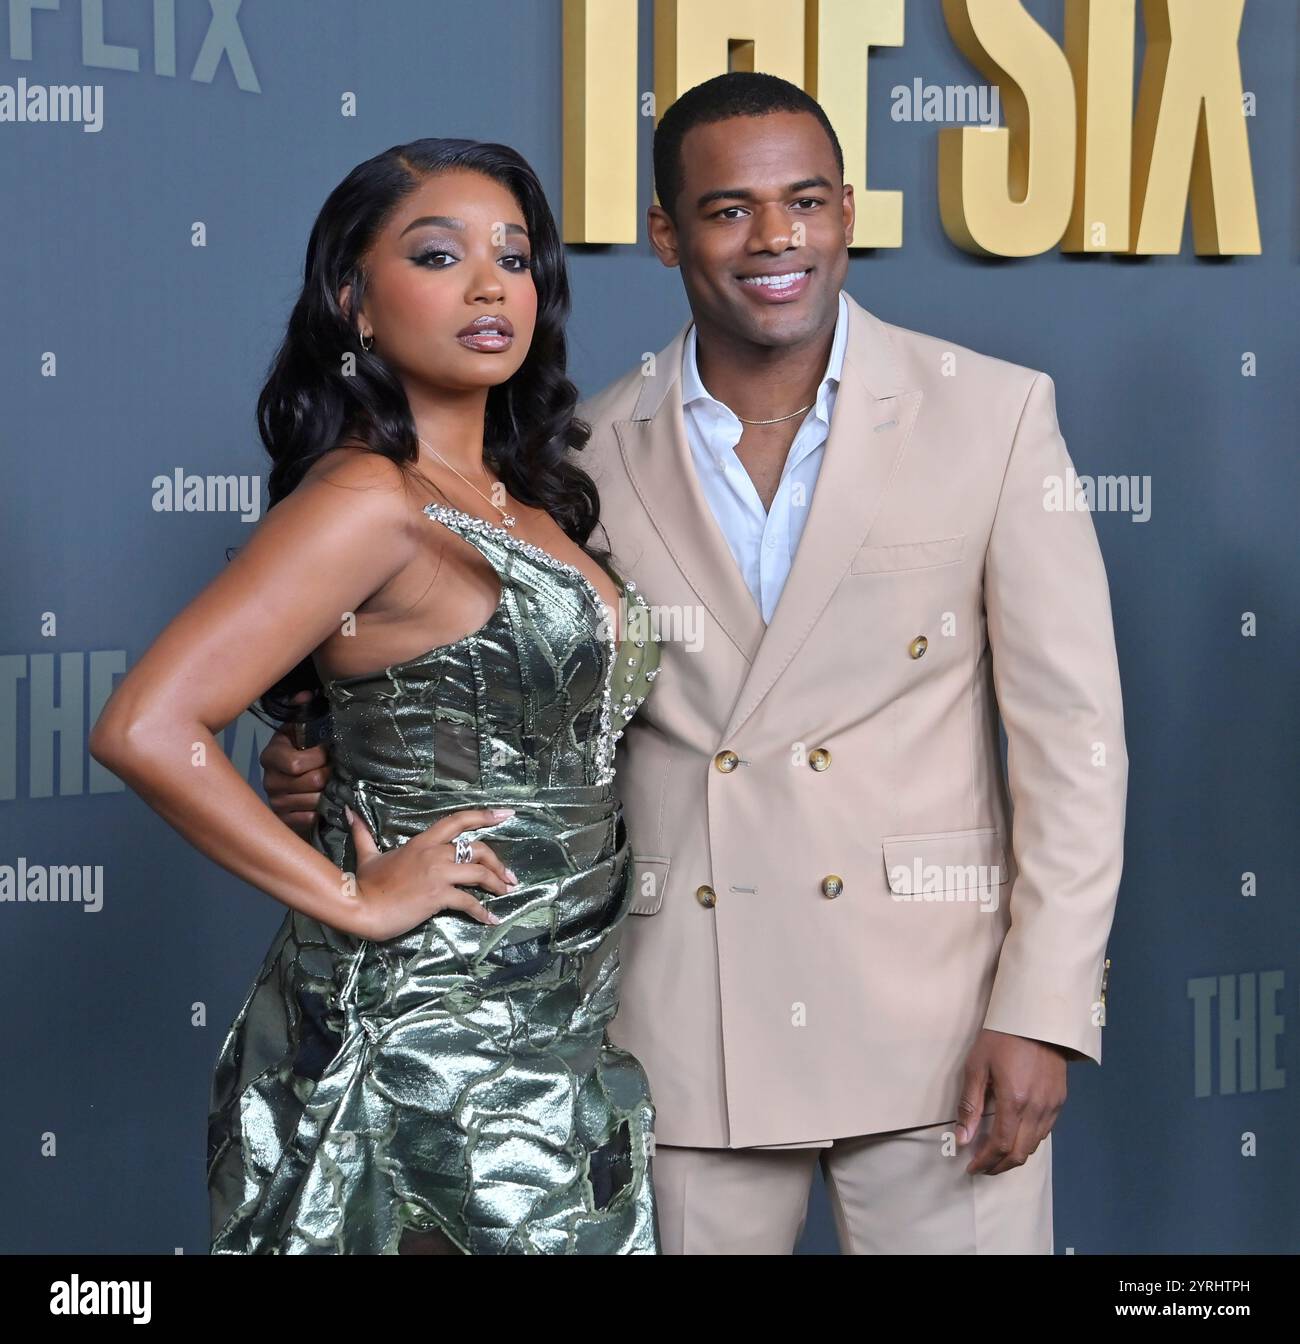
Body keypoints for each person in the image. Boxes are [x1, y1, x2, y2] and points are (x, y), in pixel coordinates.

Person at [263, 72, 1128, 1255]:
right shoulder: (573, 458)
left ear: (846, 214)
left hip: (941, 1031)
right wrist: (332, 769)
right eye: (728, 210)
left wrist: (1043, 1009)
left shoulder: (991, 415)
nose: (776, 238)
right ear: (665, 234)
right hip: (678, 1031)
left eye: (807, 201)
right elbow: (517, 702)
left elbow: (1073, 742)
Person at [89, 137, 662, 1255]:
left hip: (560, 1013)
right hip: (430, 1029)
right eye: (440, 255)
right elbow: (146, 726)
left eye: (516, 255)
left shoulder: (527, 498)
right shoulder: (367, 498)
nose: (493, 285)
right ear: (353, 300)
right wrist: (350, 898)